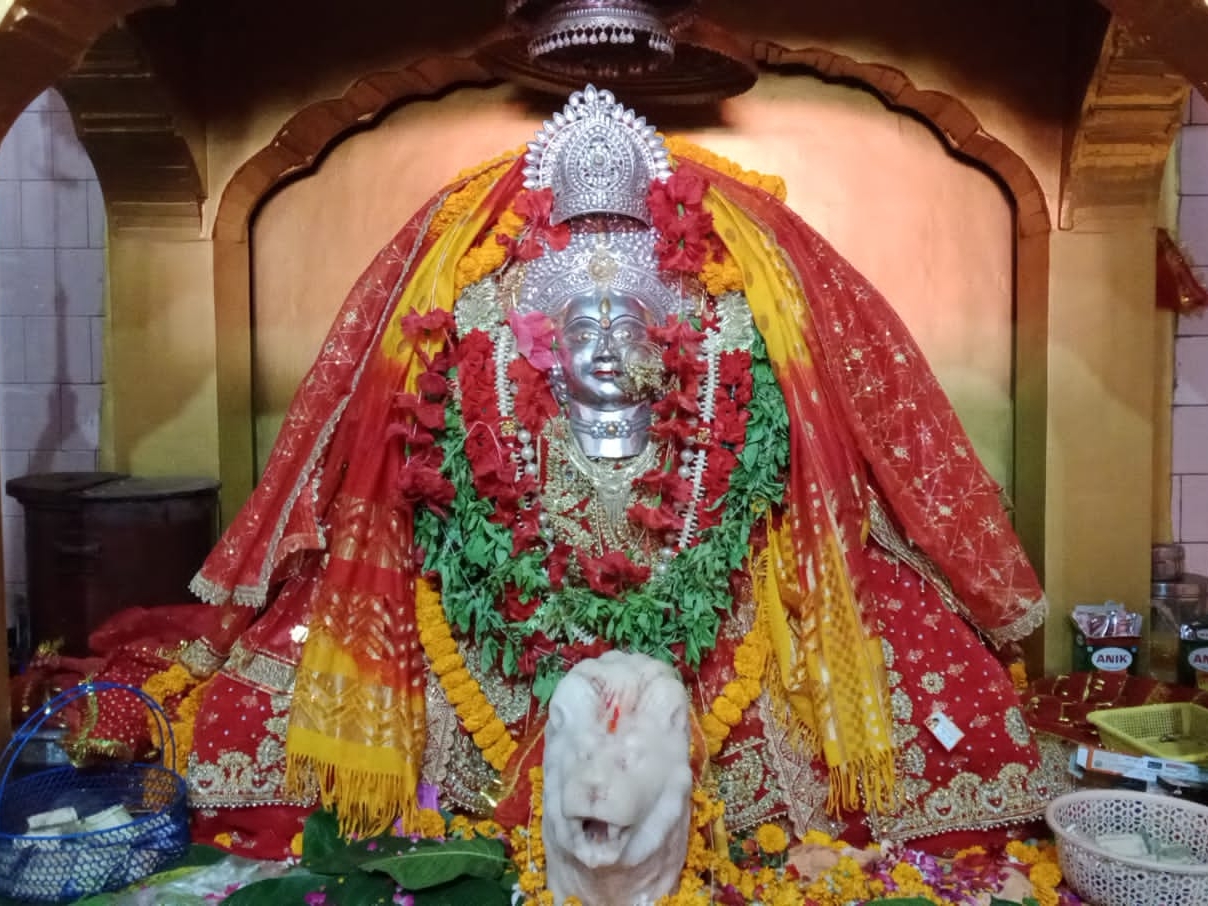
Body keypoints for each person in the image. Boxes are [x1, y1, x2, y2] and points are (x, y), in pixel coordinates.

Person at [159, 85, 1067, 857]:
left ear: (665, 343)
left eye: (625, 325)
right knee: (281, 684)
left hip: (709, 626)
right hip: (504, 635)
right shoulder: (496, 427)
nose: (602, 348)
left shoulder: (717, 411)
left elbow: (759, 495)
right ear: (542, 348)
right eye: (580, 329)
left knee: (882, 638)